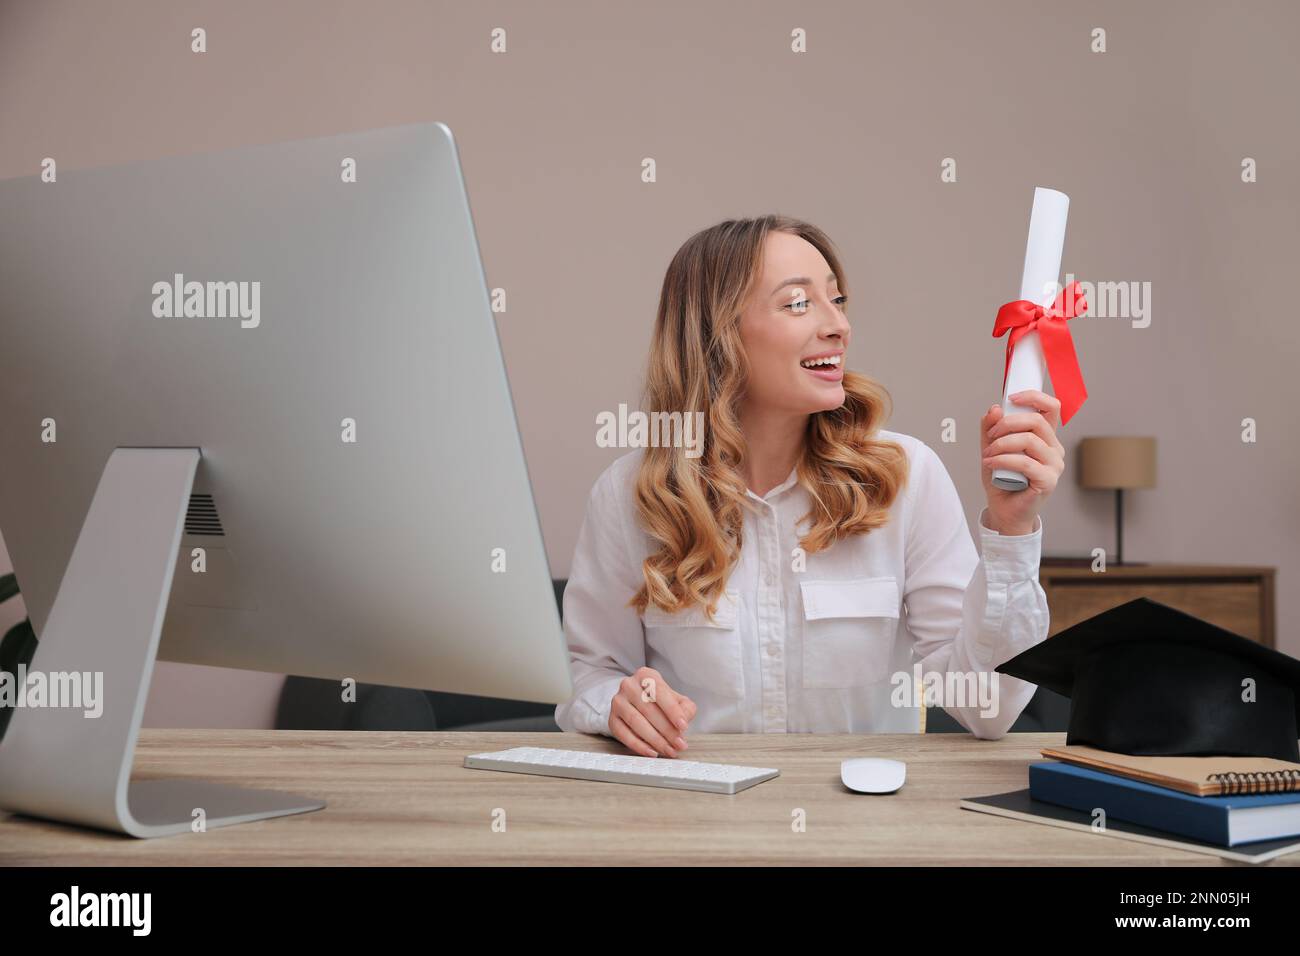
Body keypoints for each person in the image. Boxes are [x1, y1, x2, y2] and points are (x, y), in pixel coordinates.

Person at [554, 215, 1062, 757]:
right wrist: (616, 702)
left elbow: (987, 708)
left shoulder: (907, 476)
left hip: (860, 825)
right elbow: (591, 674)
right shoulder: (631, 493)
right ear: (717, 334)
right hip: (693, 817)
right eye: (798, 303)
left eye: (837, 300)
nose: (838, 326)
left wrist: (1011, 529)